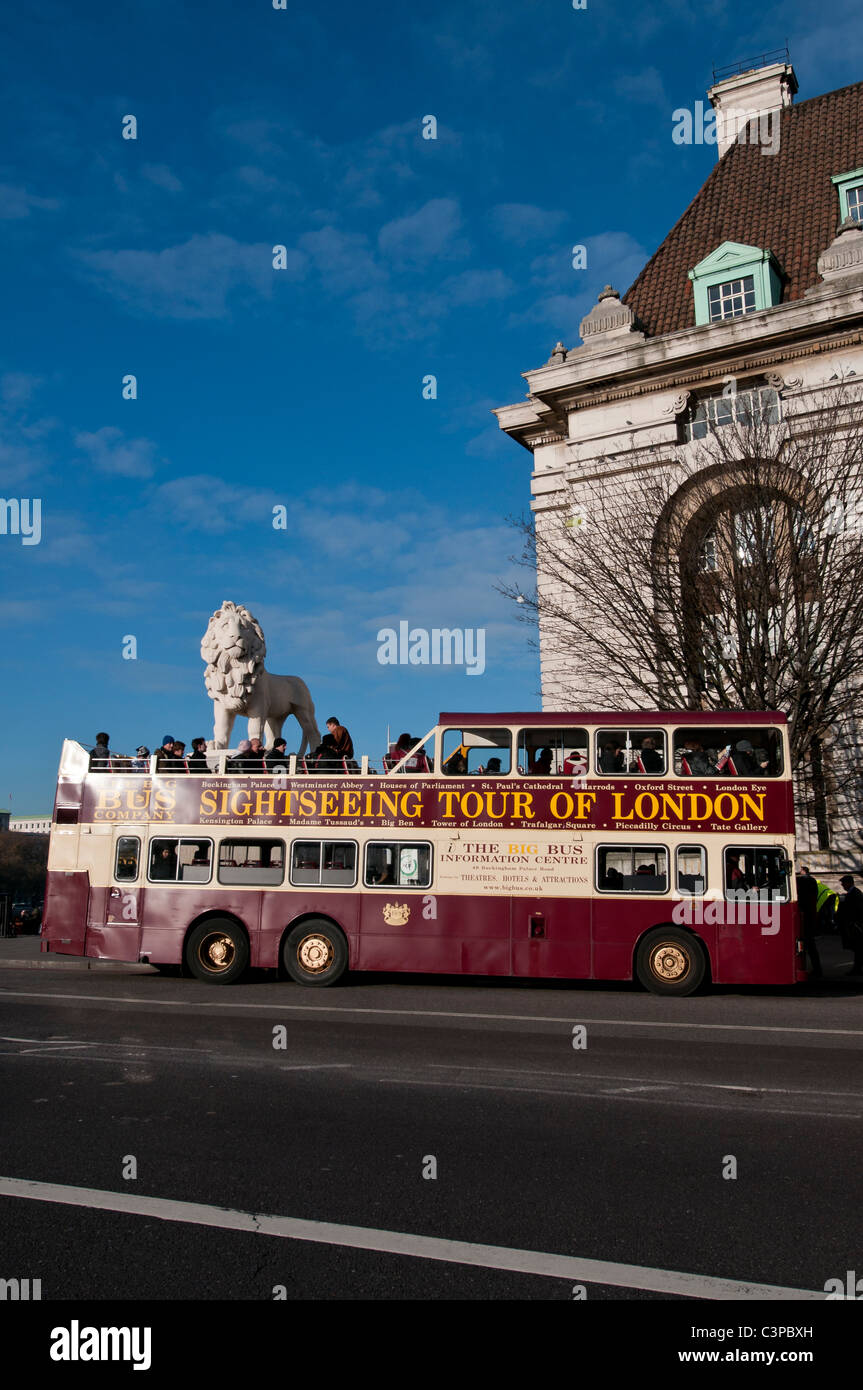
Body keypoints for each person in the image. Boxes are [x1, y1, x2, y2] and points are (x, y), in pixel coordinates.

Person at [796, 867, 821, 979]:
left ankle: (814, 969)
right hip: (811, 918)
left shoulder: (803, 881)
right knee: (810, 946)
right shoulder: (812, 881)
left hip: (805, 920)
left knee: (807, 946)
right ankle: (816, 969)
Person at [837, 875, 863, 975]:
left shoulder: (855, 893)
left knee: (858, 948)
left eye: (843, 883)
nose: (842, 885)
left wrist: (855, 922)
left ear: (849, 883)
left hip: (856, 925)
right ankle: (857, 968)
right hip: (854, 924)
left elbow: (857, 910)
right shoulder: (853, 893)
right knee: (858, 948)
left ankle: (857, 969)